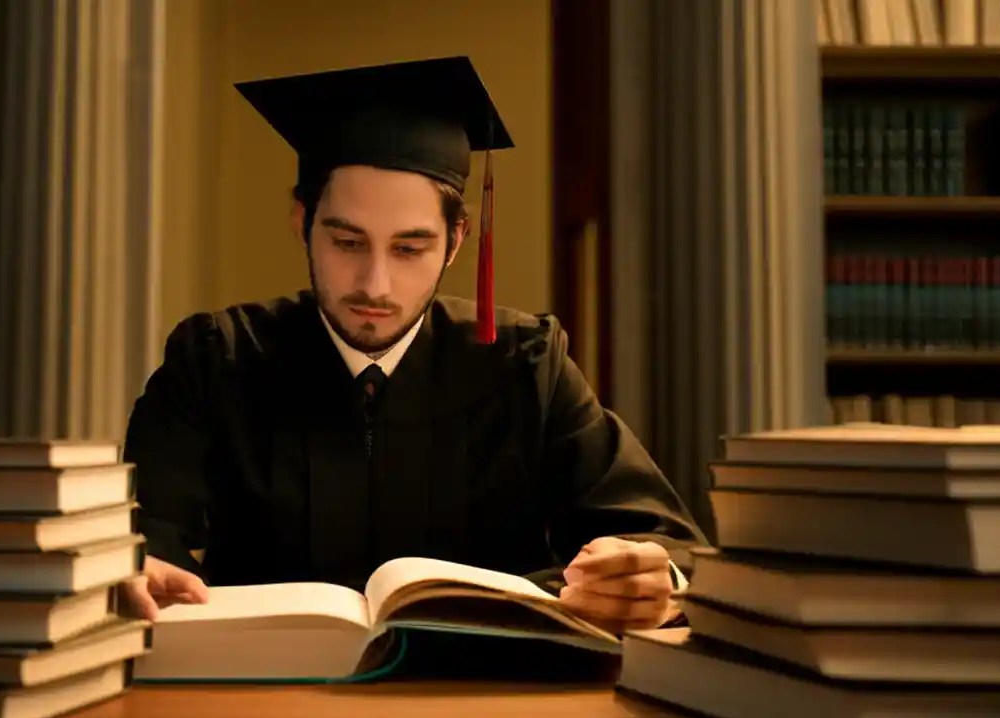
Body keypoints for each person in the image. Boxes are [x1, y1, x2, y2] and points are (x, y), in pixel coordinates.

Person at [119, 57, 708, 636]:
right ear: (303, 222)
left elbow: (663, 543)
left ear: (456, 240)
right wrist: (133, 568)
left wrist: (653, 582)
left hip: (488, 692)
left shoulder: (525, 363)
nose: (375, 285)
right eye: (348, 241)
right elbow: (142, 534)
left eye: (409, 248)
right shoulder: (218, 358)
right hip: (268, 688)